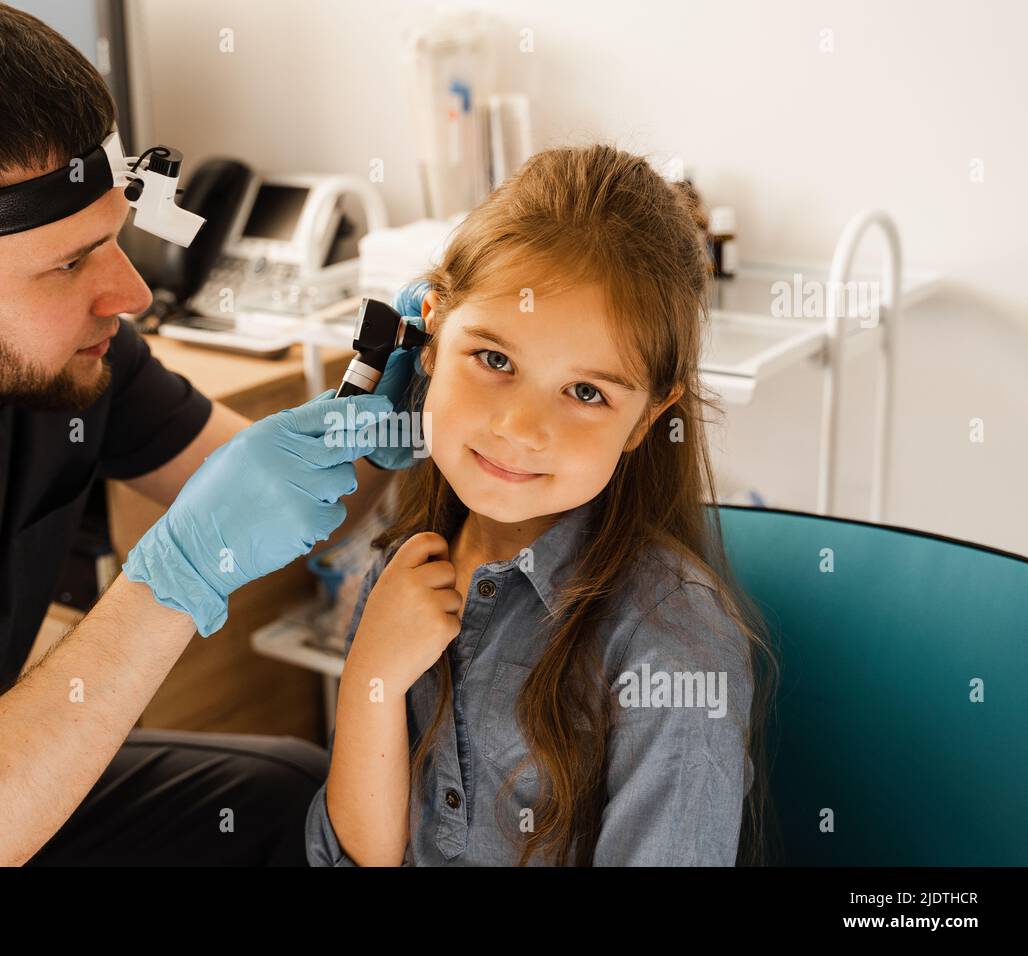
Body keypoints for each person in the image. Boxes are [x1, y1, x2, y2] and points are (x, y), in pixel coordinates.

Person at [0, 0, 414, 866]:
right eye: (69, 262)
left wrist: (398, 417)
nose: (128, 294)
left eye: (113, 240)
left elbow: (320, 516)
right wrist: (174, 578)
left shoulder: (74, 357)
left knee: (286, 801)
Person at [305, 144, 778, 866]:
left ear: (648, 419)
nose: (521, 429)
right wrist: (372, 678)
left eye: (586, 392)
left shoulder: (672, 651)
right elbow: (360, 856)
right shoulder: (408, 568)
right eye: (494, 360)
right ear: (431, 335)